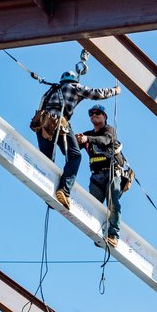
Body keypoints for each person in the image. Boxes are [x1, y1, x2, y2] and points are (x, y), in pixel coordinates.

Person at [32, 71, 120, 210]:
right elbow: (95, 93)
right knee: (75, 156)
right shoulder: (74, 87)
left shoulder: (52, 90)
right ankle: (64, 191)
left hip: (42, 126)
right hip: (58, 122)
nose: (94, 115)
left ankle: (48, 190)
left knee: (47, 161)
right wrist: (114, 91)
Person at [77, 104, 123, 248]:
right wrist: (69, 136)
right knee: (92, 207)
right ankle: (99, 233)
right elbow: (70, 146)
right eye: (91, 113)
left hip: (111, 173)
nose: (94, 115)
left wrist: (87, 139)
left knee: (113, 204)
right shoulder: (87, 134)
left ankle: (113, 235)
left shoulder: (109, 130)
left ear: (105, 117)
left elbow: (105, 140)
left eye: (98, 113)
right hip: (96, 176)